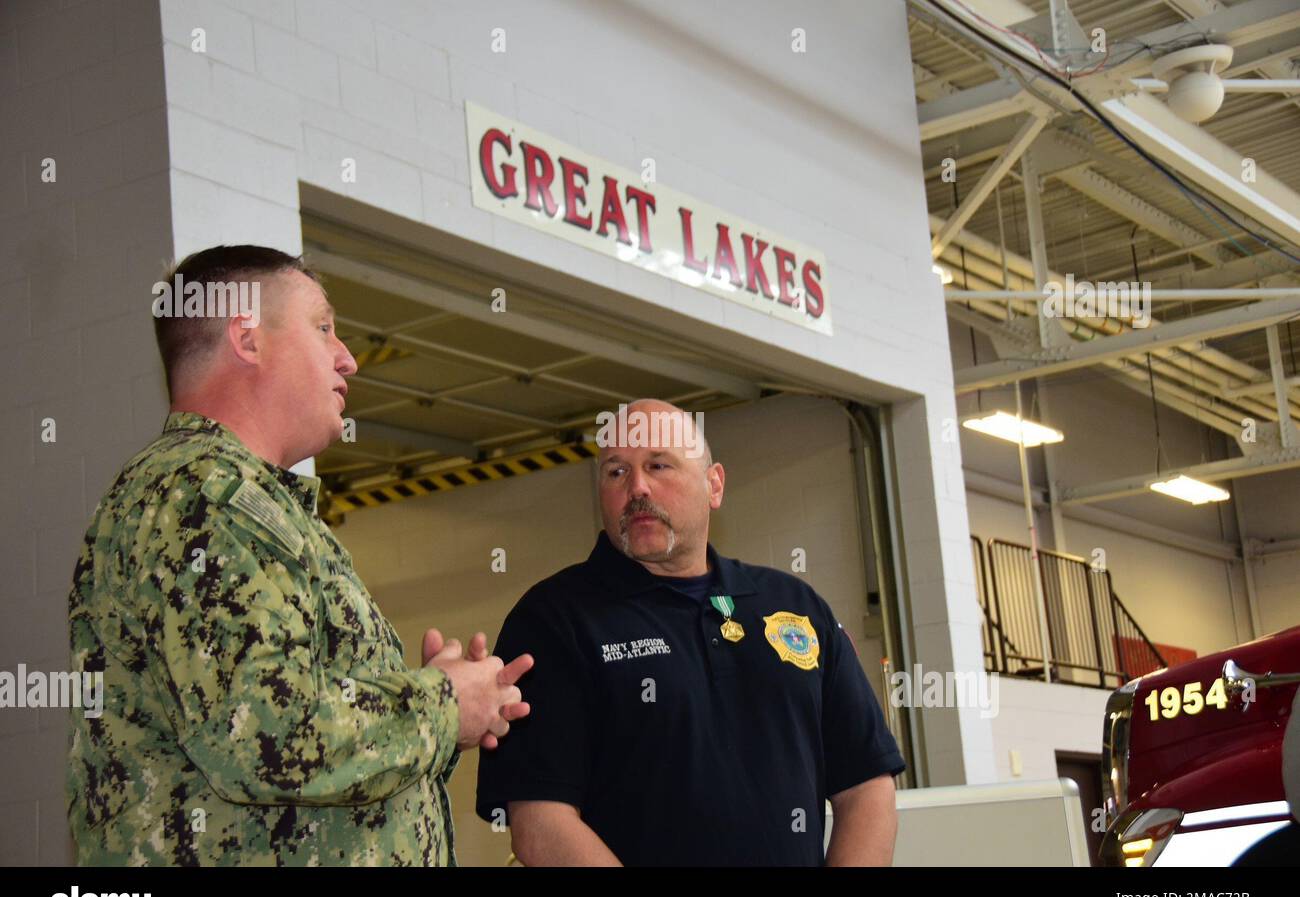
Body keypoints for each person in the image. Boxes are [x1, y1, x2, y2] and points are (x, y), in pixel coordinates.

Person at [67, 245, 531, 865]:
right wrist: (441, 706)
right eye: (323, 327)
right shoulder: (205, 498)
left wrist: (430, 697)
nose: (349, 359)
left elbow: (288, 747)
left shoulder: (246, 501)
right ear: (248, 338)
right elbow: (265, 735)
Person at [477, 399, 904, 865]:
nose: (638, 486)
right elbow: (540, 824)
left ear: (714, 484)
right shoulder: (553, 620)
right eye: (616, 472)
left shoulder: (796, 608)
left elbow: (867, 786)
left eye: (658, 465)